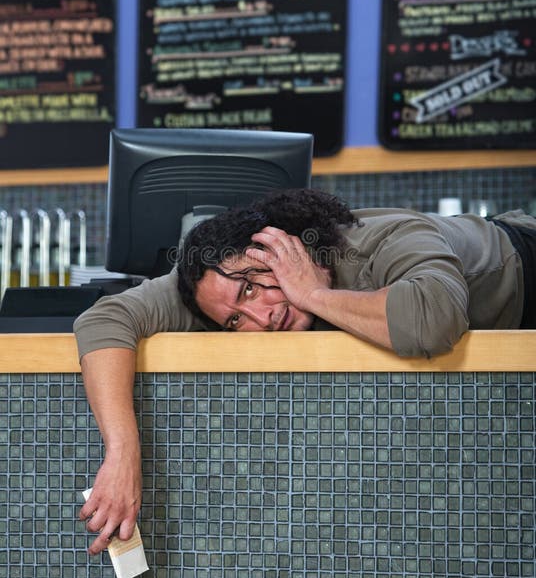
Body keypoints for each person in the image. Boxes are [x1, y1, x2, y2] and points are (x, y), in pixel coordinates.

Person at [74, 188, 536, 554]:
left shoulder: (380, 241)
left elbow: (432, 319)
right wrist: (122, 455)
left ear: (279, 245)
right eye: (234, 321)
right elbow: (104, 320)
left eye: (253, 289)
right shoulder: (216, 282)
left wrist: (311, 295)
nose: (260, 319)